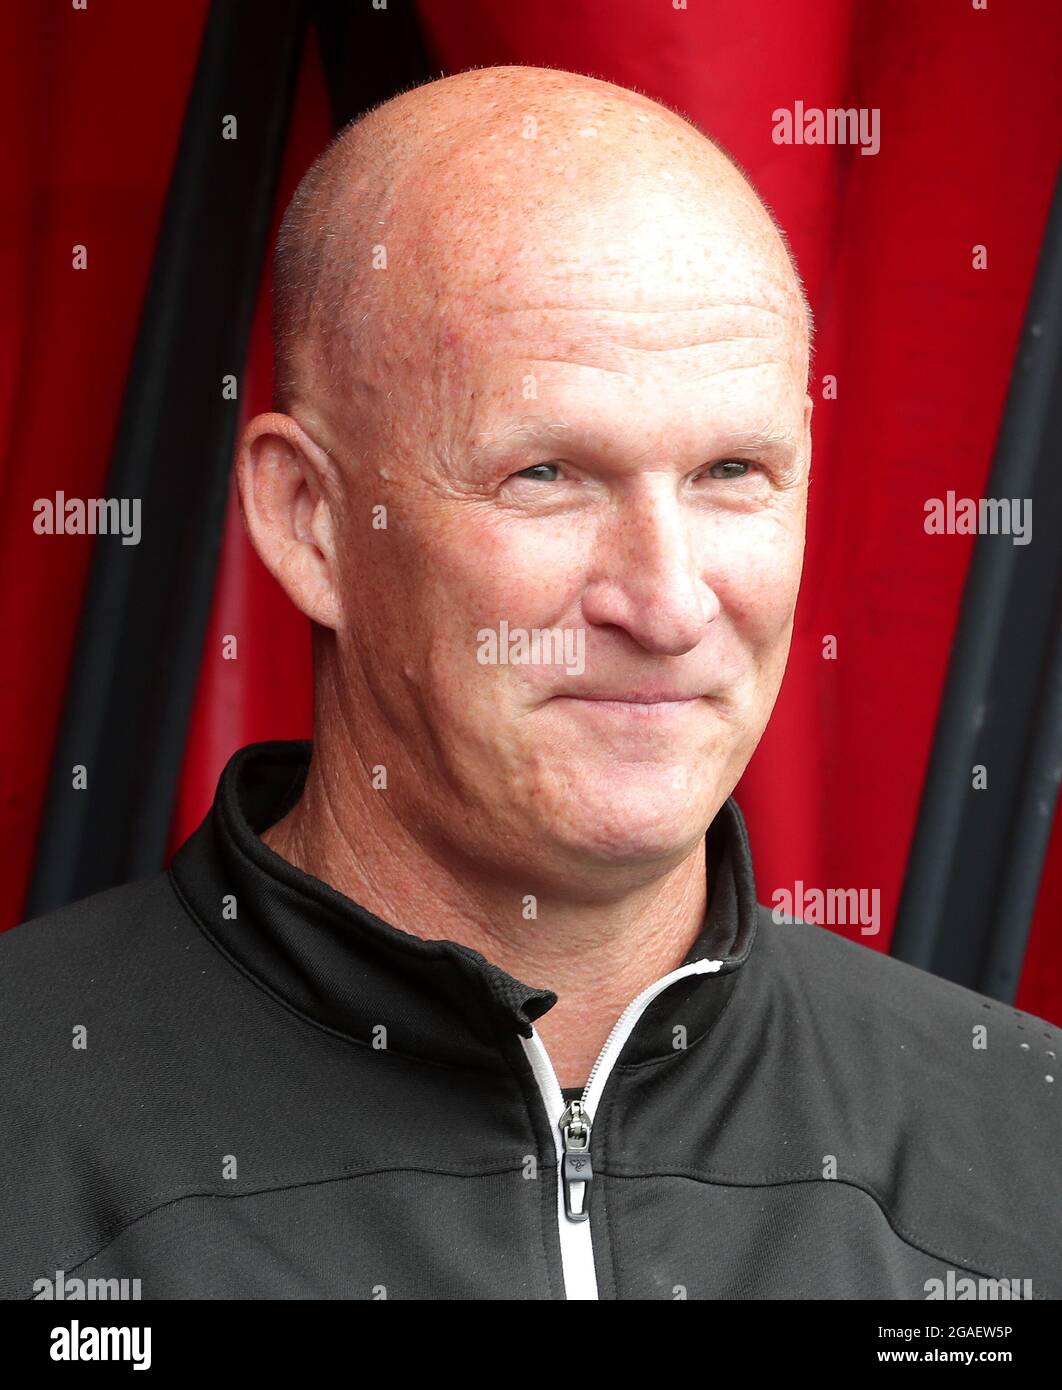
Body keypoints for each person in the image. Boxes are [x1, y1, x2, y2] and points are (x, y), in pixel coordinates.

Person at [2, 66, 1058, 1302]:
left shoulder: (1026, 1142)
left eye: (731, 470)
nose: (665, 604)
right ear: (310, 521)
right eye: (547, 473)